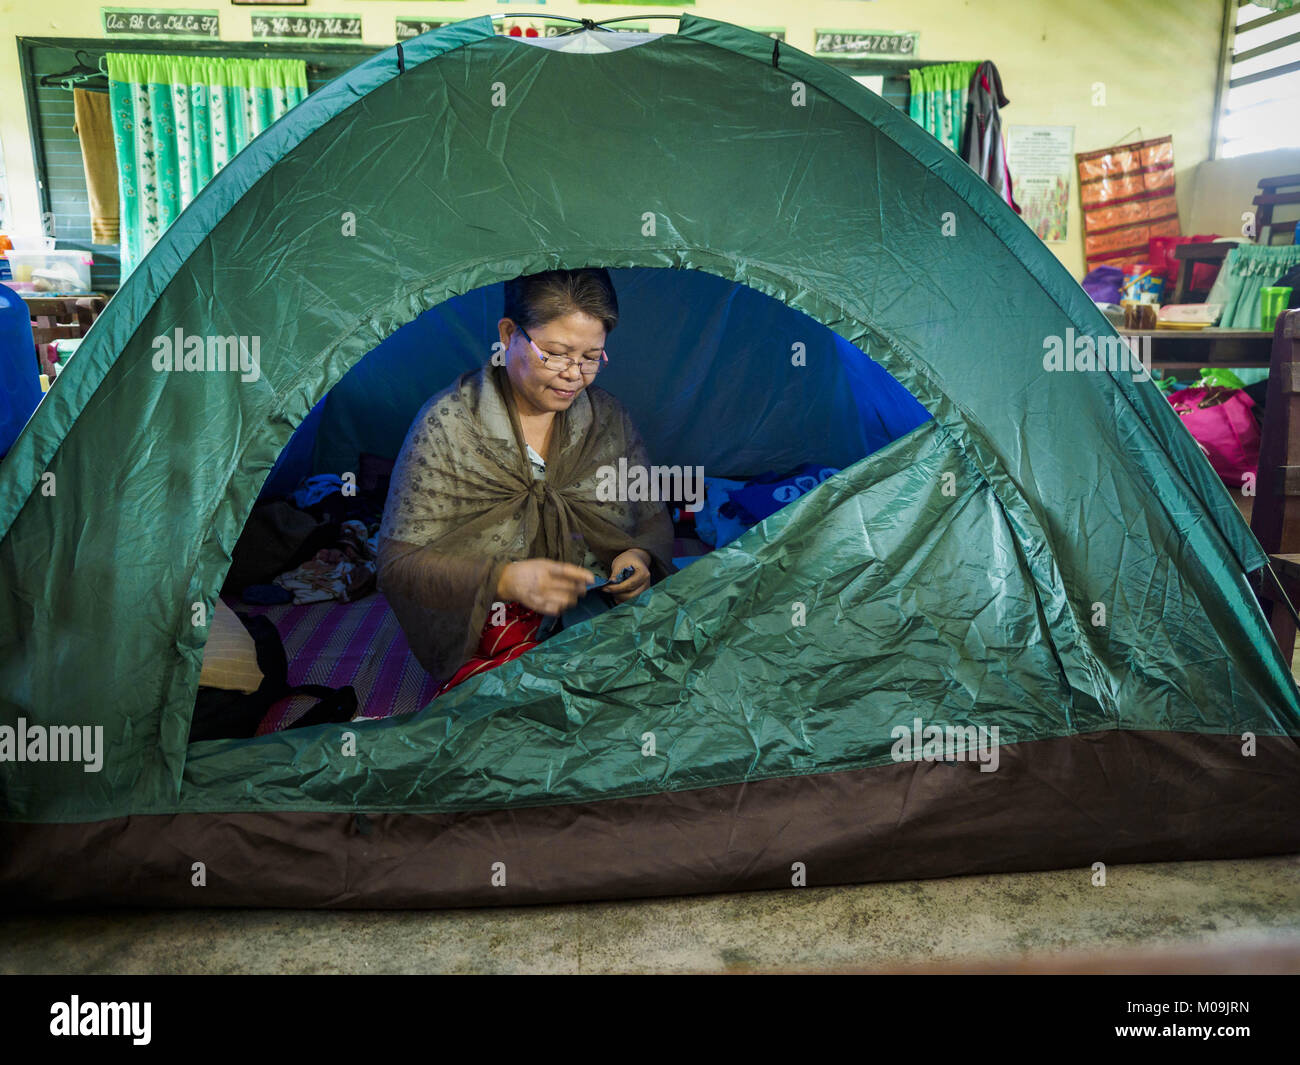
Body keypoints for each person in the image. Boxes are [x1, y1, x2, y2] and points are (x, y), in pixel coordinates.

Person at [376, 267, 675, 693]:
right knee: (521, 710)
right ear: (508, 333)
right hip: (492, 627)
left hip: (594, 612)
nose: (575, 374)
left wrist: (638, 559)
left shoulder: (607, 418)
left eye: (592, 357)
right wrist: (506, 580)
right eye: (555, 353)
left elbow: (650, 520)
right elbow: (397, 568)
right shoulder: (450, 425)